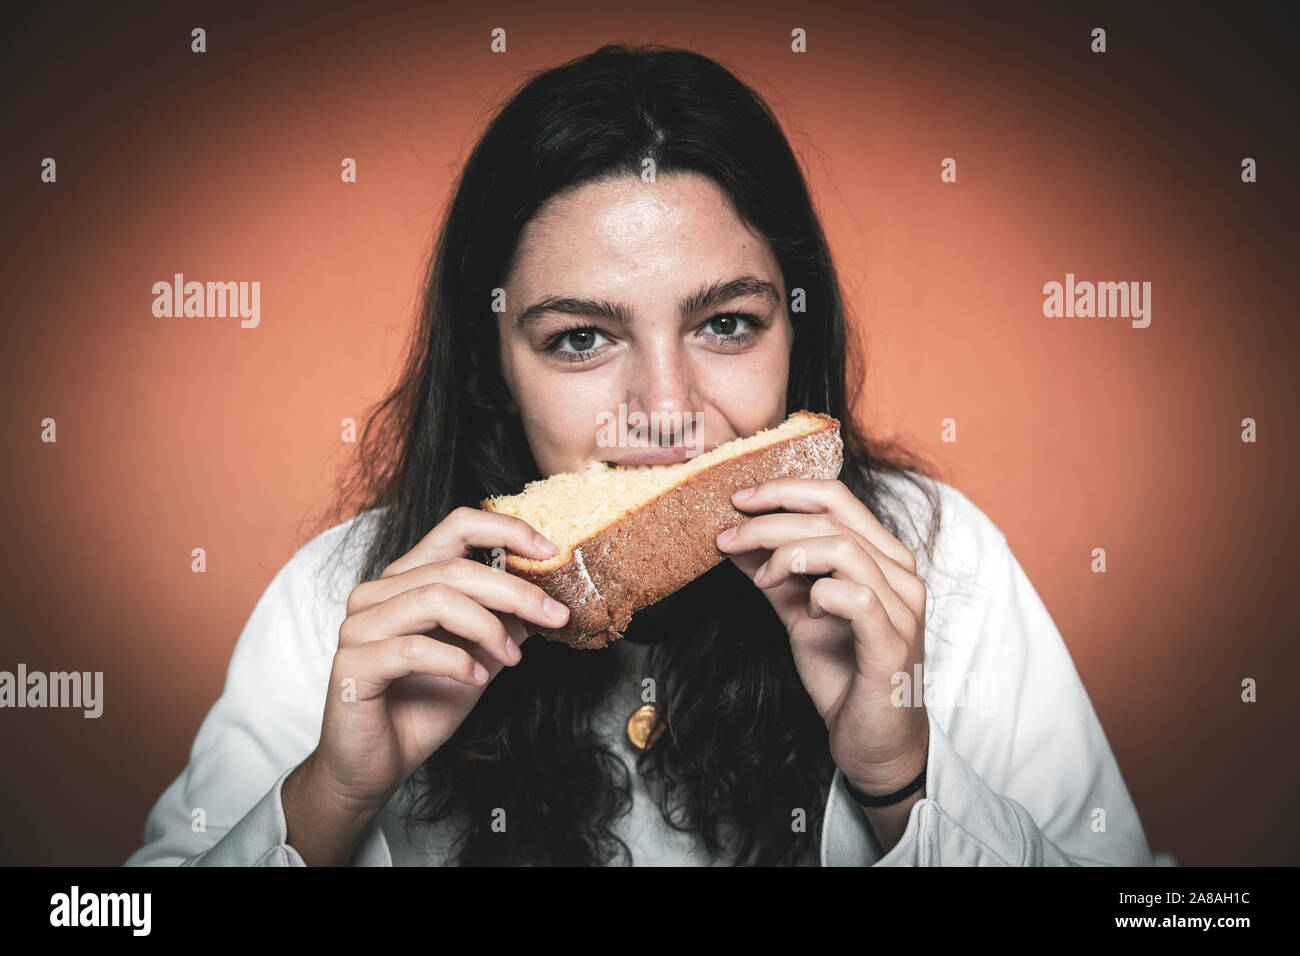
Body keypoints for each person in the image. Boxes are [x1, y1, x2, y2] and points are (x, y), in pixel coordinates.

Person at [124, 43, 1152, 867]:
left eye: (726, 325)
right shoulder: (349, 598)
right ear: (492, 367)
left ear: (798, 331)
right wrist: (330, 797)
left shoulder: (934, 561)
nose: (666, 413)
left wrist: (900, 780)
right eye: (580, 338)